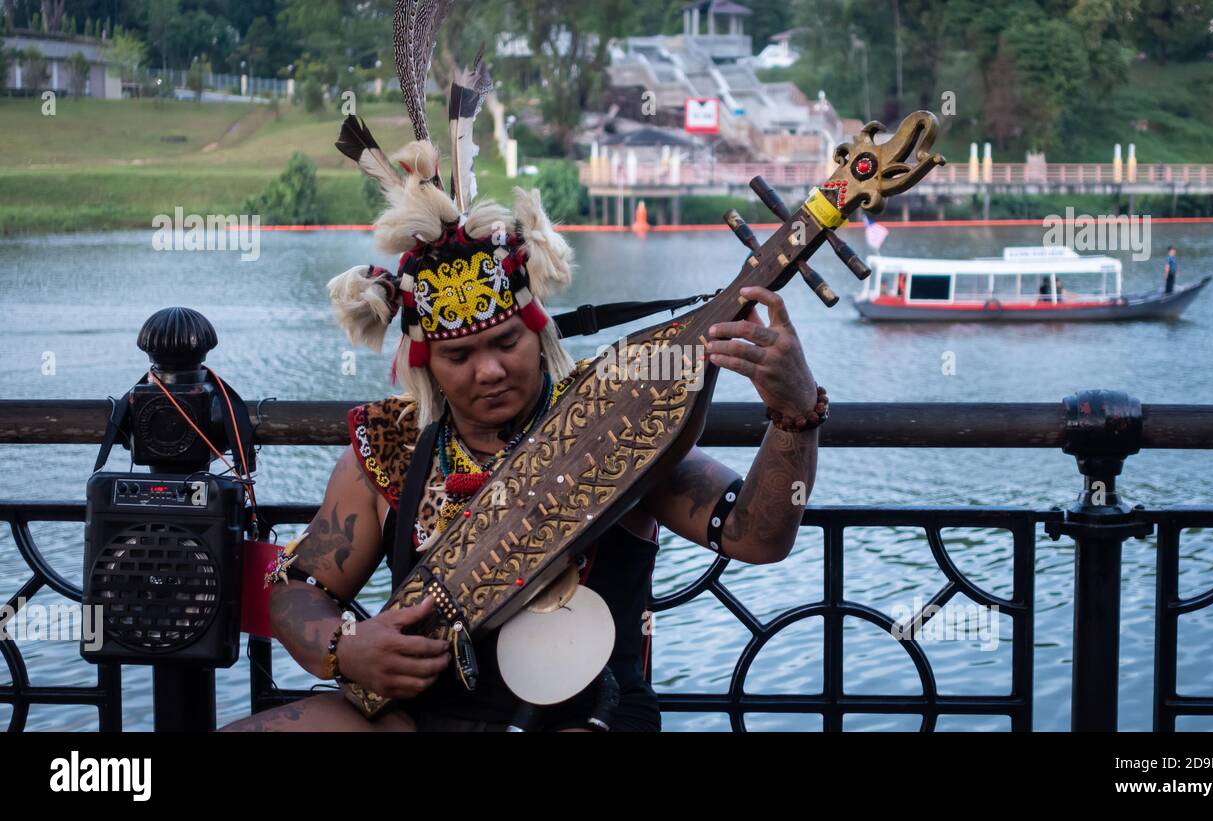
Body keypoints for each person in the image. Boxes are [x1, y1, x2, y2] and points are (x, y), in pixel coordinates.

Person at [219, 11, 824, 733]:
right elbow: (298, 589)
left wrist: (794, 415)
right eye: (460, 355)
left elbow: (759, 536)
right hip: (419, 718)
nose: (490, 369)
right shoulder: (390, 445)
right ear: (422, 360)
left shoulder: (613, 422)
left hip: (584, 719)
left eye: (505, 341)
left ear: (538, 330)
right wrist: (348, 646)